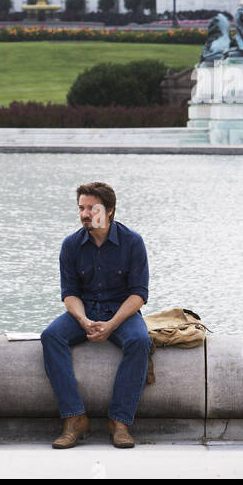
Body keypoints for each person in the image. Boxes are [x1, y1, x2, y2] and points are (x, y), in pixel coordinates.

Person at [41, 181, 151, 449]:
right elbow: (70, 294)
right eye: (81, 208)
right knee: (51, 336)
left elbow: (138, 294)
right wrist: (84, 321)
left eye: (92, 208)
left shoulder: (133, 242)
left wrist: (112, 325)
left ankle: (120, 422)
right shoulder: (71, 245)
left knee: (140, 341)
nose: (85, 214)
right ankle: (74, 418)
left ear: (110, 210)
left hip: (120, 311)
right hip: (85, 310)